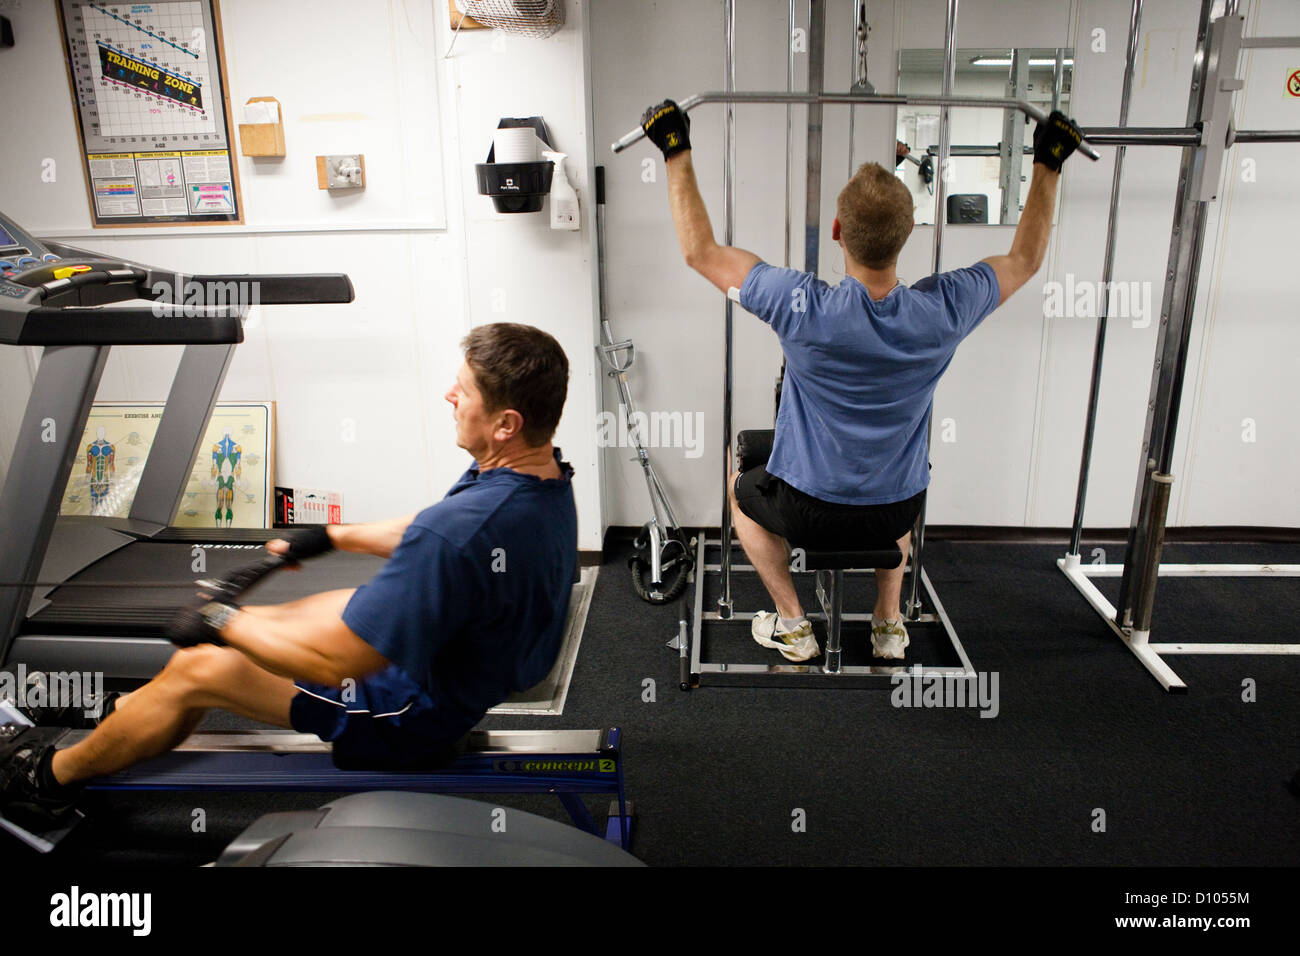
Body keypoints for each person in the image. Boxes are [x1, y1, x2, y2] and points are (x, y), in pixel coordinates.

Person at [0, 323, 577, 831]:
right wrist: (330, 536)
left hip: (409, 714)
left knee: (203, 661)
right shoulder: (540, 481)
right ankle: (138, 721)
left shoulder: (464, 527)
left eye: (465, 391)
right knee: (301, 612)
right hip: (462, 659)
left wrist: (219, 620)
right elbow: (432, 534)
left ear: (505, 423)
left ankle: (47, 782)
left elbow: (336, 665)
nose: (450, 395)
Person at [640, 99, 1082, 663]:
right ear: (908, 232)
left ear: (837, 231)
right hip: (896, 510)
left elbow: (700, 252)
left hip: (806, 509)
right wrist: (1049, 164)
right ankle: (888, 624)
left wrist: (675, 150)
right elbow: (1024, 259)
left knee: (739, 486)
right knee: (906, 465)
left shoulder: (801, 305)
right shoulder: (942, 310)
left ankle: (794, 625)